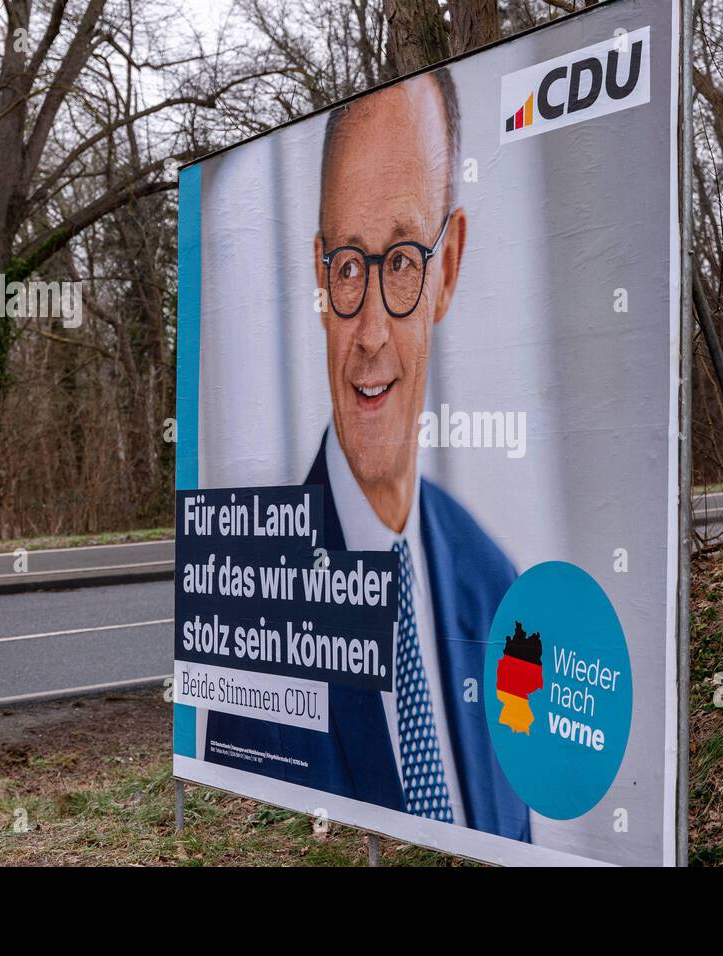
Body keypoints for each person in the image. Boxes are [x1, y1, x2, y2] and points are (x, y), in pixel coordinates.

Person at [204, 69, 530, 842]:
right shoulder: (253, 602)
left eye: (403, 263)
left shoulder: (497, 590)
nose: (372, 332)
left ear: (447, 269)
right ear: (320, 281)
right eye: (349, 268)